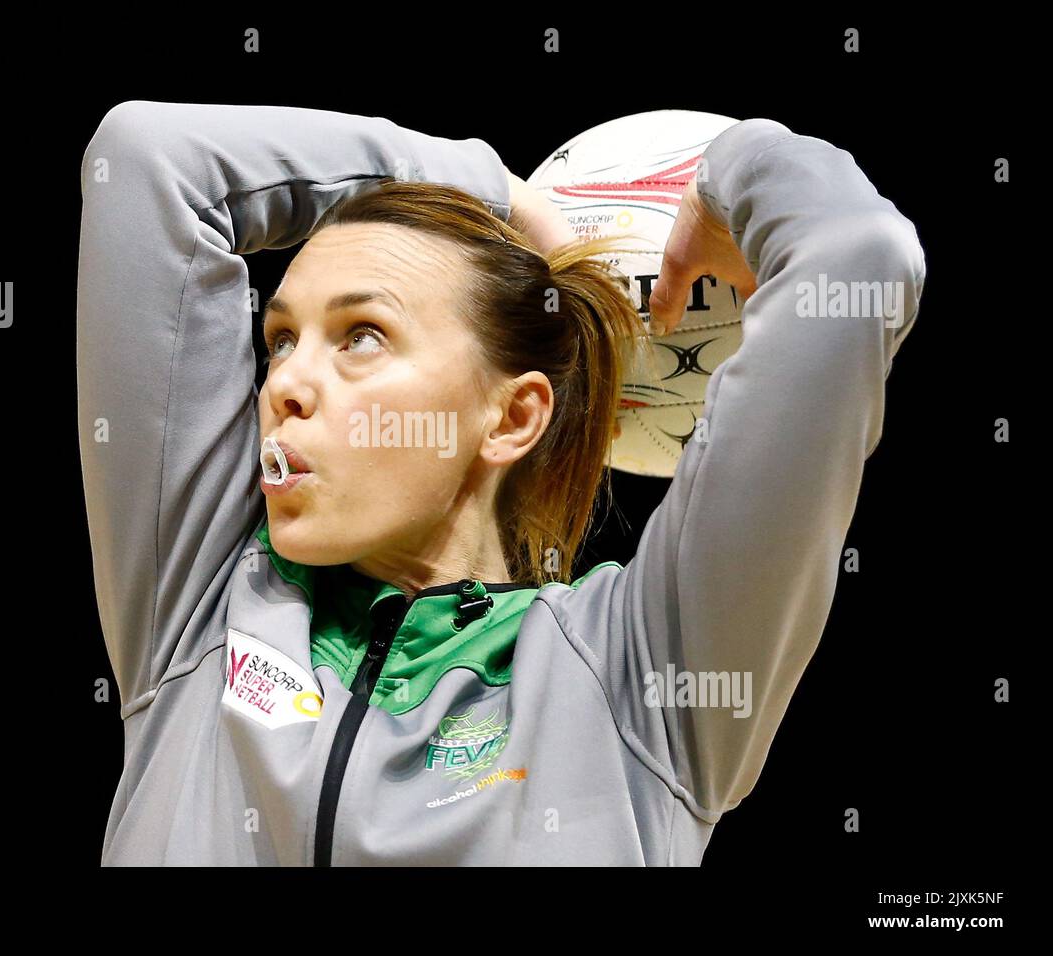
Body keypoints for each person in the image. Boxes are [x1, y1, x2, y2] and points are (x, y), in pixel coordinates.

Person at [76, 101, 925, 865]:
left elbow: (859, 258)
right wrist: (498, 192)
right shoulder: (199, 614)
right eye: (282, 339)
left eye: (361, 336)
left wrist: (724, 174)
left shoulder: (644, 673)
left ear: (512, 417)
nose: (283, 386)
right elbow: (146, 159)